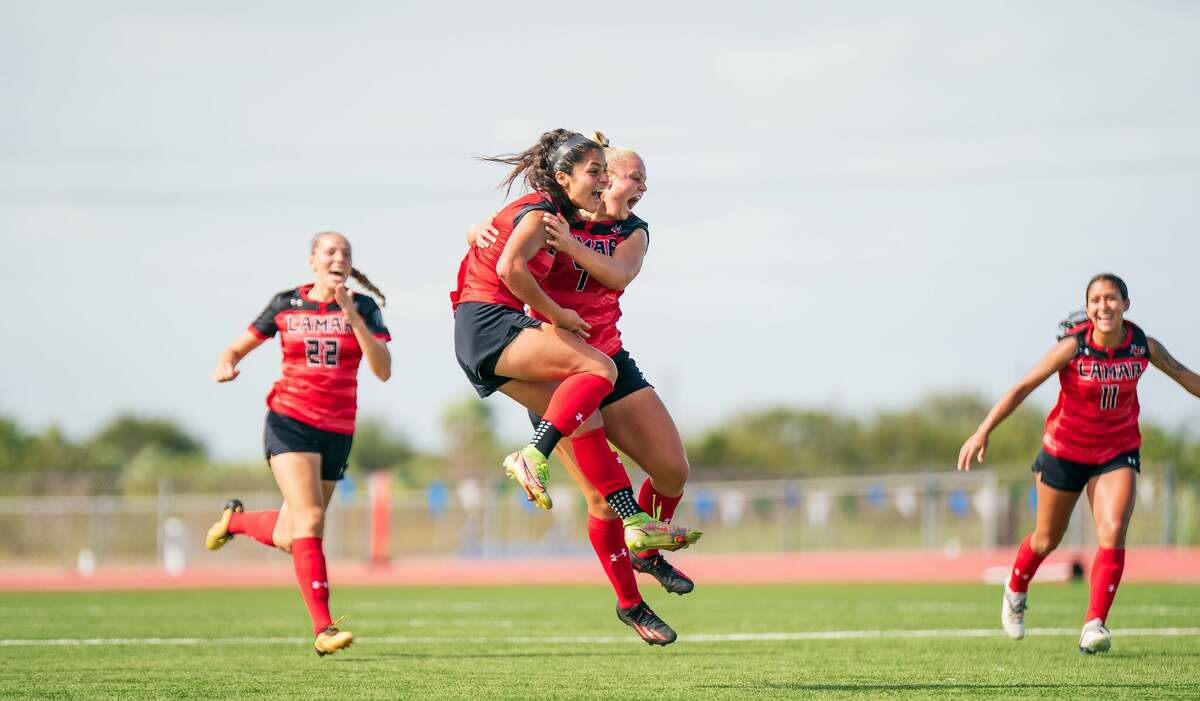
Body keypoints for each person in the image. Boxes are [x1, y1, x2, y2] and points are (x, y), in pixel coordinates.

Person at [452, 129, 700, 643]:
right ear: (594, 178)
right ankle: (632, 603)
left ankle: (644, 546)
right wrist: (477, 228)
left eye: (636, 178)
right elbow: (505, 251)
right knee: (605, 499)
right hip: (557, 361)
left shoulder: (630, 230)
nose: (637, 185)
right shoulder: (553, 214)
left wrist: (567, 246)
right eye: (629, 175)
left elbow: (618, 274)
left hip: (606, 355)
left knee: (673, 470)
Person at [957, 273, 1200, 653]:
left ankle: (1094, 624)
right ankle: (1016, 586)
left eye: (1112, 298)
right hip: (1064, 450)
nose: (1105, 306)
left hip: (1117, 451)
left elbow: (1184, 375)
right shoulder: (1073, 348)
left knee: (1113, 527)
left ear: (1126, 304)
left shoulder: (1142, 346)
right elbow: (1021, 388)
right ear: (1087, 309)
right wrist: (983, 430)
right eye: (1096, 300)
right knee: (1046, 539)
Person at [205, 231, 392, 657]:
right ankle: (323, 628)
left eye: (346, 252)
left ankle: (234, 522)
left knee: (294, 534)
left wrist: (354, 317)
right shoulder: (286, 304)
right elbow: (237, 347)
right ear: (312, 260)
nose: (338, 257)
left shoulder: (363, 307)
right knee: (310, 520)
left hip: (338, 429)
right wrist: (227, 363)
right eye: (330, 251)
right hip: (290, 420)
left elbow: (382, 370)